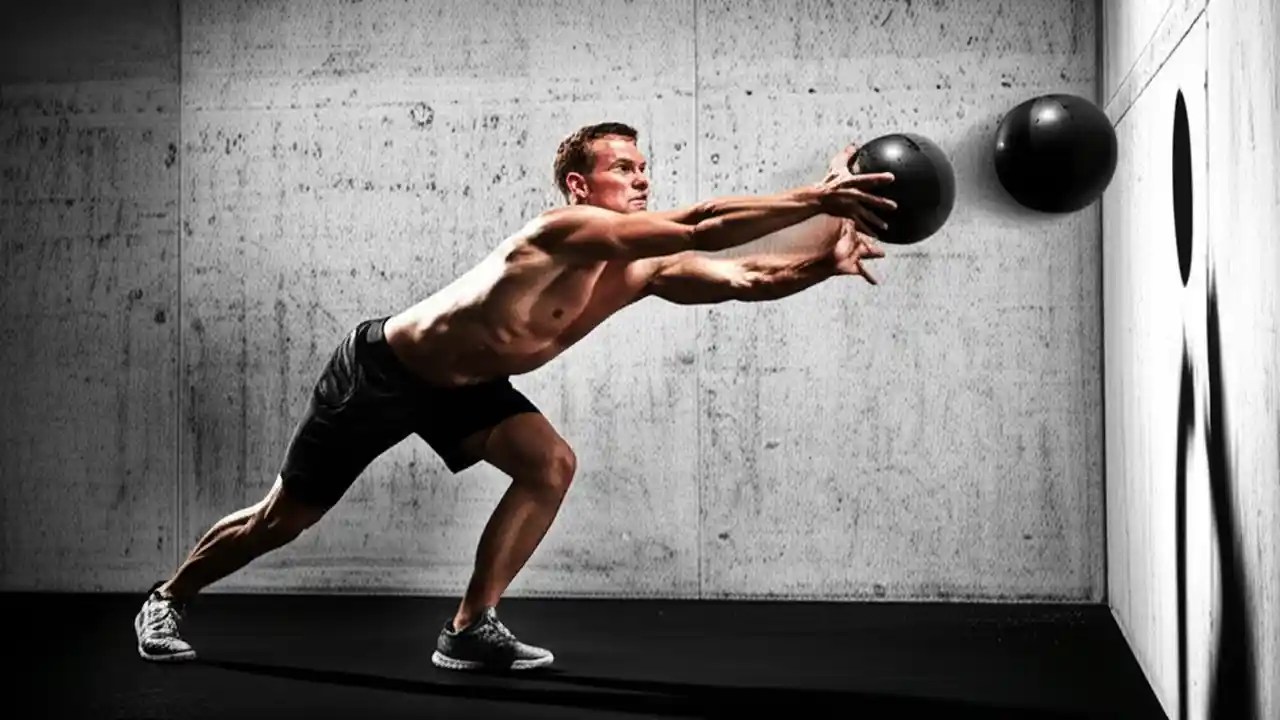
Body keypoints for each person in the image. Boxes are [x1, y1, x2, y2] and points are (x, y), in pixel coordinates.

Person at [134, 122, 896, 672]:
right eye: (624, 169)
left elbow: (746, 277)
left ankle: (469, 627)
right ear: (580, 185)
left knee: (550, 465)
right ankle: (170, 595)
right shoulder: (559, 231)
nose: (641, 180)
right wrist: (818, 197)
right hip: (383, 373)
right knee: (283, 520)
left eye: (644, 169)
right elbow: (702, 223)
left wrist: (822, 258)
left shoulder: (642, 270)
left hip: (466, 389)